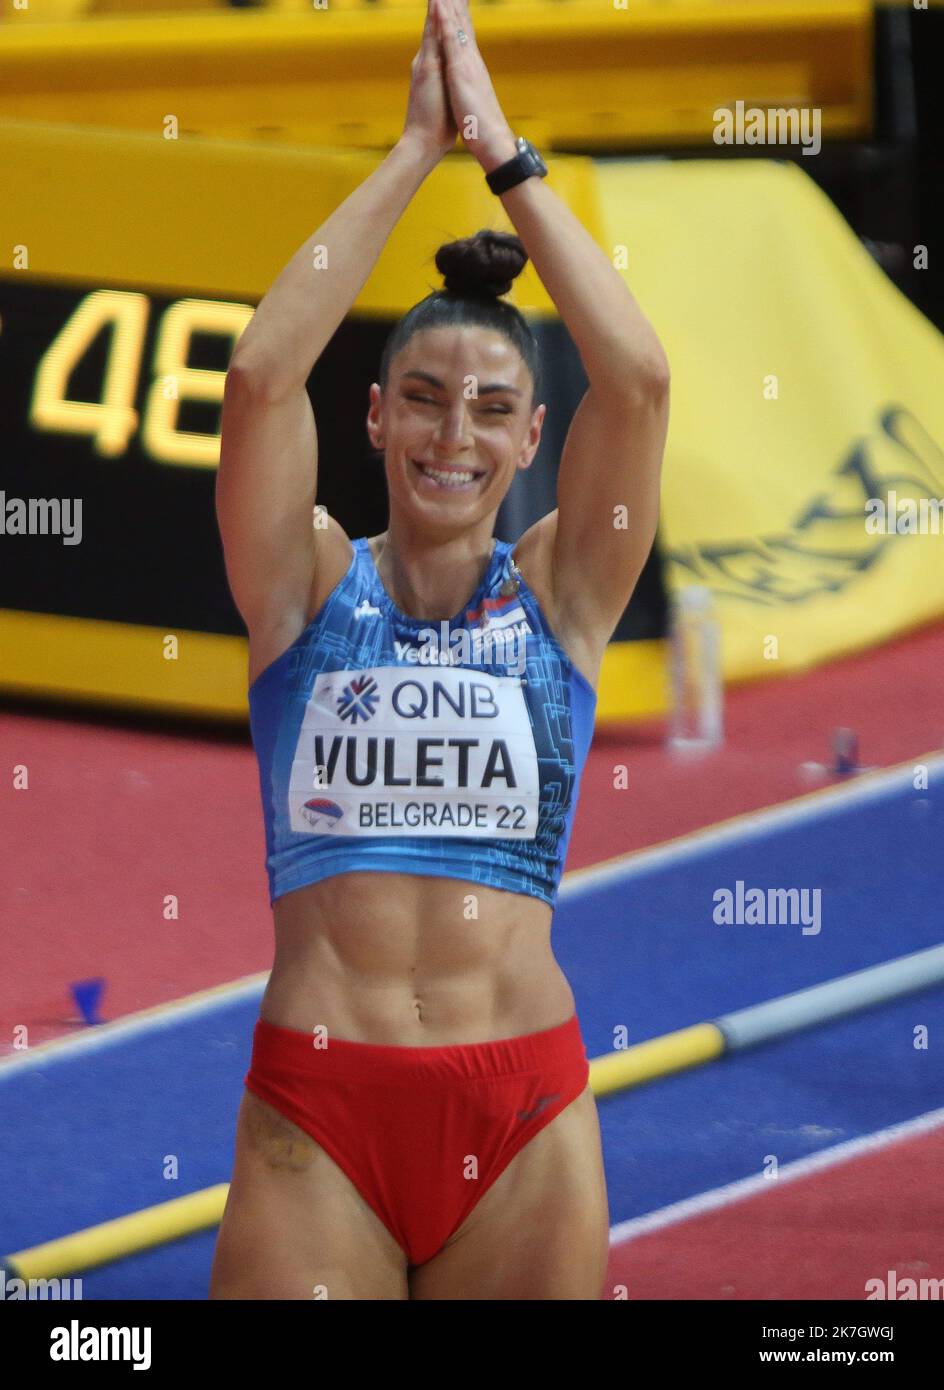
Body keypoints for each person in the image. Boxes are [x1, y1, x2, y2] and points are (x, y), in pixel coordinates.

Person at [209, 0, 669, 1301]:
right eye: (420, 396)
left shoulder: (562, 598)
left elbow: (636, 379)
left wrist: (504, 155)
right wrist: (414, 149)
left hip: (521, 1114)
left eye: (490, 408)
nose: (451, 433)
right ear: (373, 414)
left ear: (532, 442)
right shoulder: (299, 584)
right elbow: (254, 380)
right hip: (320, 1112)